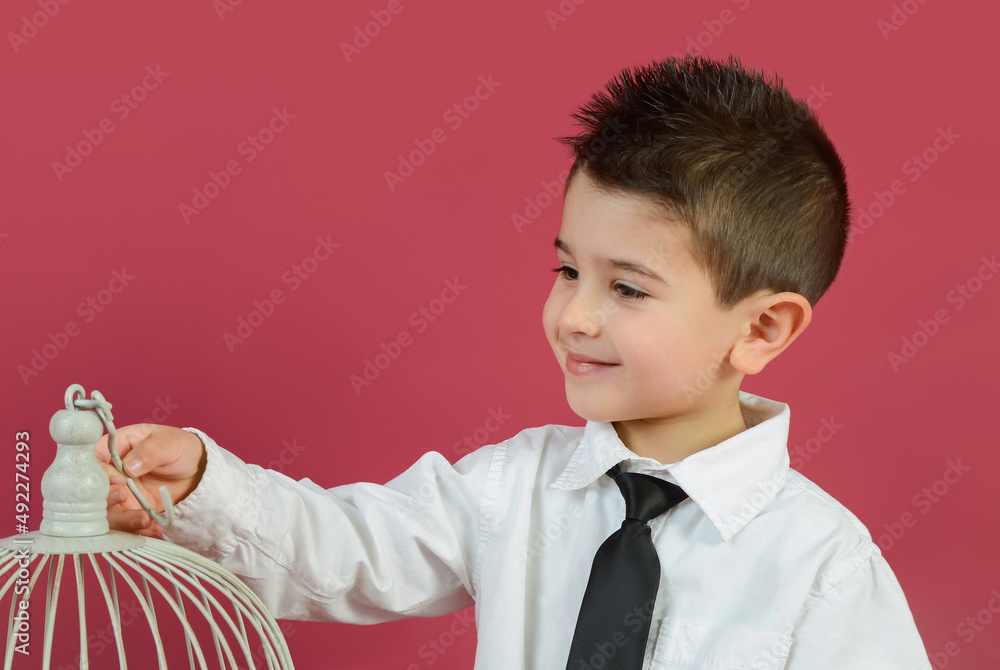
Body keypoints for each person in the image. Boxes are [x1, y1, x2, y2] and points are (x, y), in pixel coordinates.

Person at [98, 54, 930, 668]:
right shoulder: (512, 491)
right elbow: (344, 551)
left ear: (763, 330)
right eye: (569, 269)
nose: (573, 315)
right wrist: (204, 483)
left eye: (629, 289)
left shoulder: (823, 565)